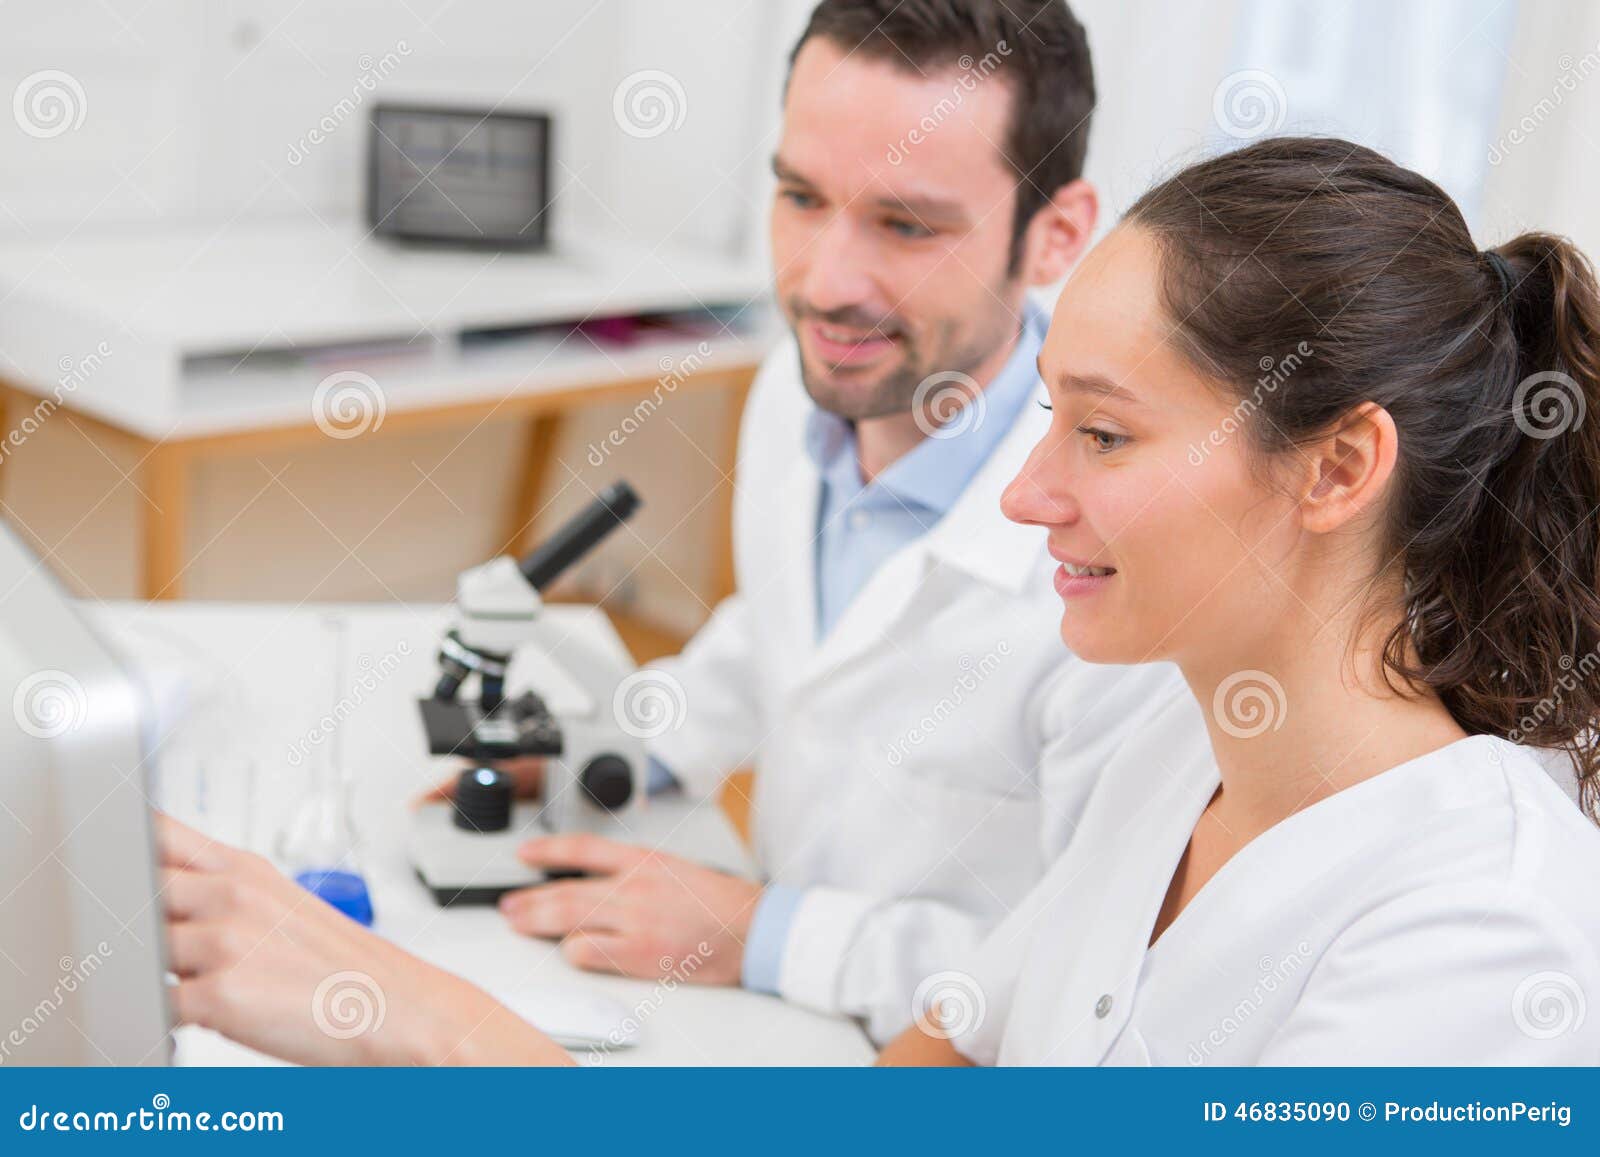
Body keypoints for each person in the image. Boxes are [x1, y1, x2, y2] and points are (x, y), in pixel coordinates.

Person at [161, 136, 1600, 1065]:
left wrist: (427, 1030)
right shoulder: (1187, 757)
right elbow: (932, 1070)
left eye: (1103, 434)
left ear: (1338, 462)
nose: (1027, 492)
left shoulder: (1473, 942)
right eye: (1043, 422)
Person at [422, 0, 1183, 1046]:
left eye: (906, 224)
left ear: (1055, 234)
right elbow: (777, 633)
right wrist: (613, 746)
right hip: (778, 1017)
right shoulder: (805, 385)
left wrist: (762, 930)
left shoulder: (1122, 561)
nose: (824, 285)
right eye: (799, 196)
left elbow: (1092, 972)